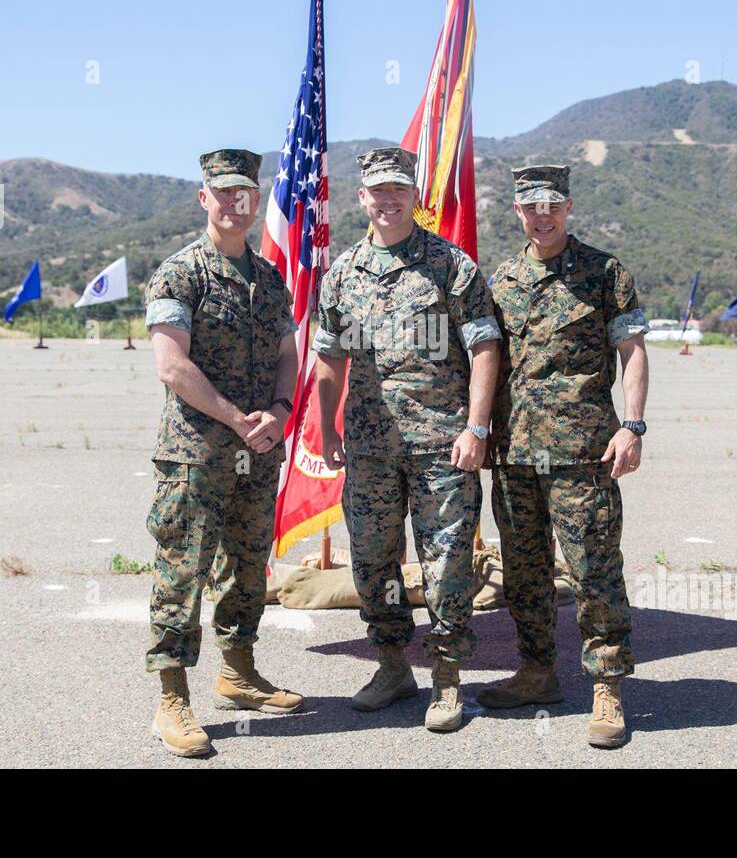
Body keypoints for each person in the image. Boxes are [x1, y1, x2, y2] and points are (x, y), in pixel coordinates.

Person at [313, 146, 501, 733]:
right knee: (373, 559)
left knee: (445, 562)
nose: (388, 200)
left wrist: (476, 427)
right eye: (378, 190)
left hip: (443, 444)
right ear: (362, 197)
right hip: (370, 447)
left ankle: (447, 680)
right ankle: (392, 666)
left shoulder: (451, 266)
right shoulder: (343, 274)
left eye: (399, 189)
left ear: (414, 195)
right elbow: (330, 359)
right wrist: (326, 429)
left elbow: (485, 348)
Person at [479, 164, 649, 749]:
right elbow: (483, 360)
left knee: (593, 569)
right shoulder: (500, 279)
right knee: (523, 572)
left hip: (583, 452)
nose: (542, 216)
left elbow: (633, 351)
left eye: (552, 205)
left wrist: (632, 426)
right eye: (531, 207)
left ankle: (607, 686)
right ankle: (536, 672)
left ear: (568, 207)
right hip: (515, 453)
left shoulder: (604, 272)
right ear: (517, 212)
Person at [142, 148, 304, 757]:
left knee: (248, 566)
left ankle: (237, 673)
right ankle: (172, 699)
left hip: (258, 452)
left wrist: (282, 413)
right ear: (203, 198)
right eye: (223, 192)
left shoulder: (269, 279)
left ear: (255, 200)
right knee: (182, 572)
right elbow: (171, 366)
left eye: (245, 192)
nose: (234, 201)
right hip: (197, 456)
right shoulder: (180, 273)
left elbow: (289, 355)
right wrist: (238, 419)